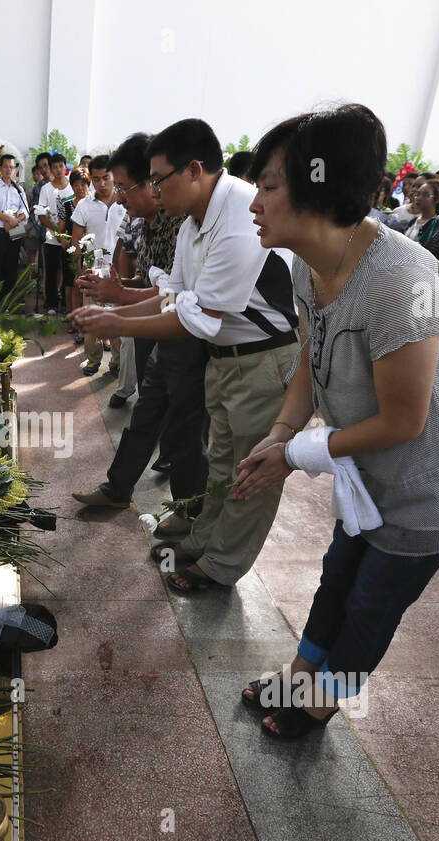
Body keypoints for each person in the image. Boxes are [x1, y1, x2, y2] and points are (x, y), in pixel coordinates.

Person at [232, 104, 439, 738]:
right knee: (339, 572)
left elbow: (404, 421)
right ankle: (300, 673)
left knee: (373, 601)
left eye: (269, 187)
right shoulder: (308, 265)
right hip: (376, 467)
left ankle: (319, 703)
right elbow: (312, 361)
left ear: (319, 188)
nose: (254, 203)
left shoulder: (399, 281)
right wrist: (280, 434)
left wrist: (294, 457)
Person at [72, 118, 299, 594]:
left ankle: (223, 564)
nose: (153, 191)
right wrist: (118, 310)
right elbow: (175, 293)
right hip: (225, 358)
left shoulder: (239, 212)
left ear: (194, 169)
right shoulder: (195, 216)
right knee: (221, 462)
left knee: (251, 471)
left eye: (157, 180)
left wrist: (118, 323)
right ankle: (203, 538)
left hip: (262, 360)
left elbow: (201, 316)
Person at [71, 132, 201, 535]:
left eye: (126, 188)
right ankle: (118, 486)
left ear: (153, 182)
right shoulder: (146, 217)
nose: (121, 198)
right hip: (157, 322)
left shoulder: (185, 218)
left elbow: (179, 297)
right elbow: (158, 283)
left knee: (183, 431)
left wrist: (120, 299)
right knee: (146, 413)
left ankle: (189, 512)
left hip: (187, 334)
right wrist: (116, 289)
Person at [71, 156, 127, 376]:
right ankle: (92, 360)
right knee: (92, 319)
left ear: (113, 176)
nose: (102, 183)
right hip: (92, 271)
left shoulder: (125, 202)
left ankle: (117, 362)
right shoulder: (84, 205)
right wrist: (79, 272)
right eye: (96, 179)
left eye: (106, 177)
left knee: (116, 320)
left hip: (119, 273)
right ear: (90, 179)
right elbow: (76, 240)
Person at [0, 154, 30, 302]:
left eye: (11, 167)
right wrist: (8, 219)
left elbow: (26, 211)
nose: (8, 170)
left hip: (15, 232)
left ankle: (8, 305)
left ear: (15, 169)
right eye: (5, 166)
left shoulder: (19, 189)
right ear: (0, 168)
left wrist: (15, 221)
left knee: (12, 269)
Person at [38, 153, 76, 315]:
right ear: (51, 169)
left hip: (72, 239)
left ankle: (68, 305)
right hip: (52, 239)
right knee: (51, 273)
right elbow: (41, 215)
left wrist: (67, 235)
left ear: (65, 166)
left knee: (69, 273)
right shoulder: (46, 189)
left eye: (61, 166)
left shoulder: (73, 187)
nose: (59, 169)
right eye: (55, 167)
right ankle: (51, 303)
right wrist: (57, 231)